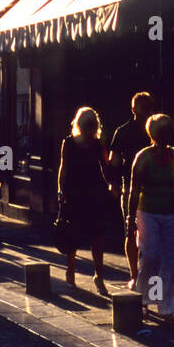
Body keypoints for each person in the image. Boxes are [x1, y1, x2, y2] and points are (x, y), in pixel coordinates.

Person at [128, 114, 174, 324]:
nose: (166, 135)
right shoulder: (143, 157)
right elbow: (134, 190)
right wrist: (130, 218)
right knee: (151, 257)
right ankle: (147, 298)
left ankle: (167, 308)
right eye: (162, 131)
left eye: (168, 130)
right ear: (152, 133)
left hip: (170, 213)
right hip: (148, 212)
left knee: (169, 260)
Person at [56, 108, 113, 295]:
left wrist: (111, 185)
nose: (89, 128)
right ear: (80, 124)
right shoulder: (69, 142)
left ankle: (99, 275)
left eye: (92, 125)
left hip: (94, 192)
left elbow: (105, 167)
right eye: (86, 124)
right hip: (74, 191)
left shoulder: (98, 145)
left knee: (97, 236)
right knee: (73, 234)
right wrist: (61, 189)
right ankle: (70, 272)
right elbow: (63, 167)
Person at [109, 92, 154, 285]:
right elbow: (114, 160)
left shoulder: (156, 129)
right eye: (143, 106)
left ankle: (147, 276)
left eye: (149, 106)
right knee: (131, 230)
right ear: (134, 109)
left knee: (149, 233)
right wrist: (114, 183)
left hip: (154, 187)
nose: (147, 110)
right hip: (130, 185)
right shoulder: (123, 131)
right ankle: (135, 274)